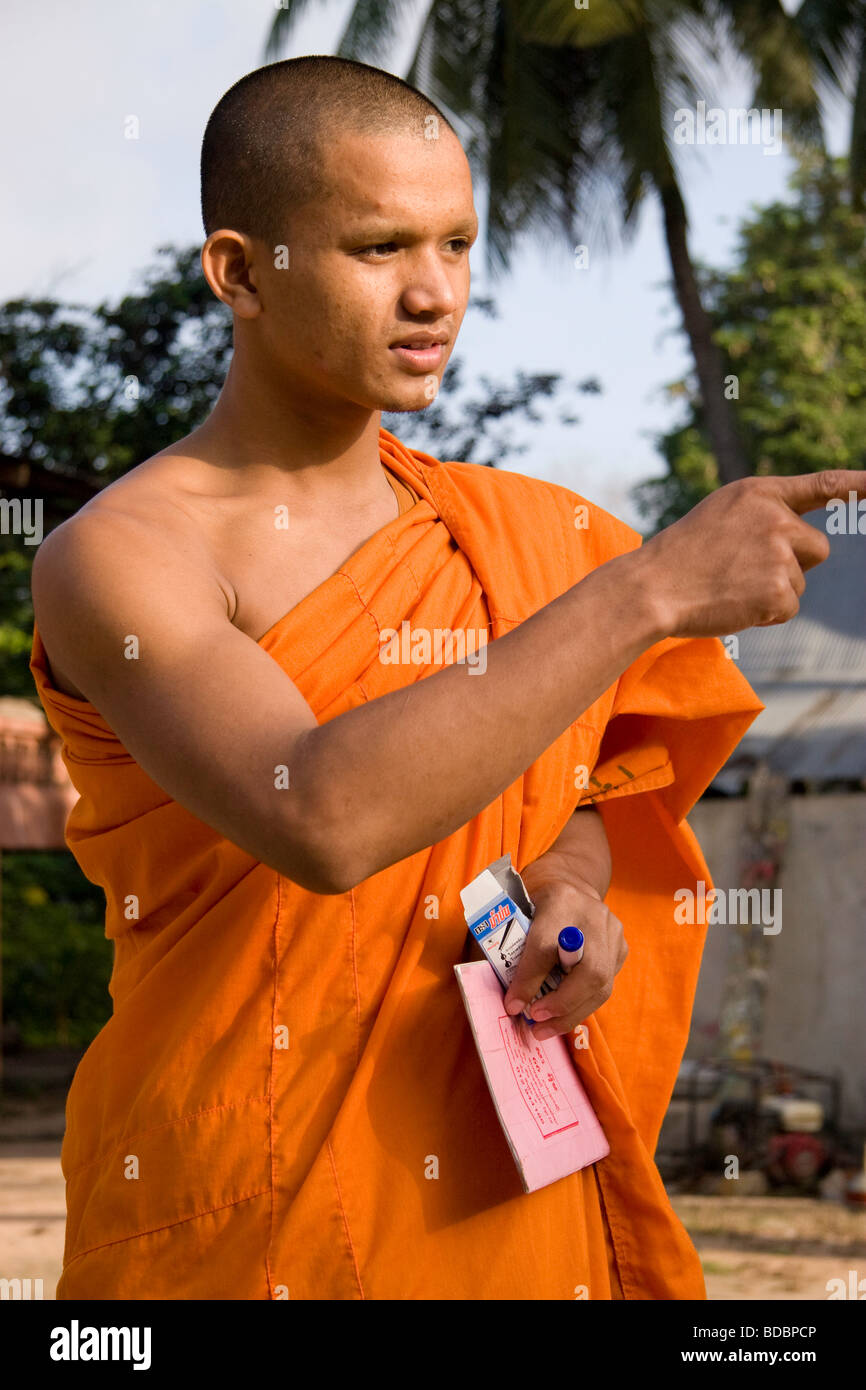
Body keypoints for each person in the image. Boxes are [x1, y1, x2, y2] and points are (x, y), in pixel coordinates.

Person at [29, 55, 858, 1300]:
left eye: (457, 243)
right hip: (239, 1203)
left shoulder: (531, 537)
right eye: (378, 248)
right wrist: (647, 592)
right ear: (241, 271)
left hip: (497, 1190)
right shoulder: (124, 554)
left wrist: (573, 895)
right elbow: (321, 811)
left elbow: (581, 789)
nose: (434, 294)